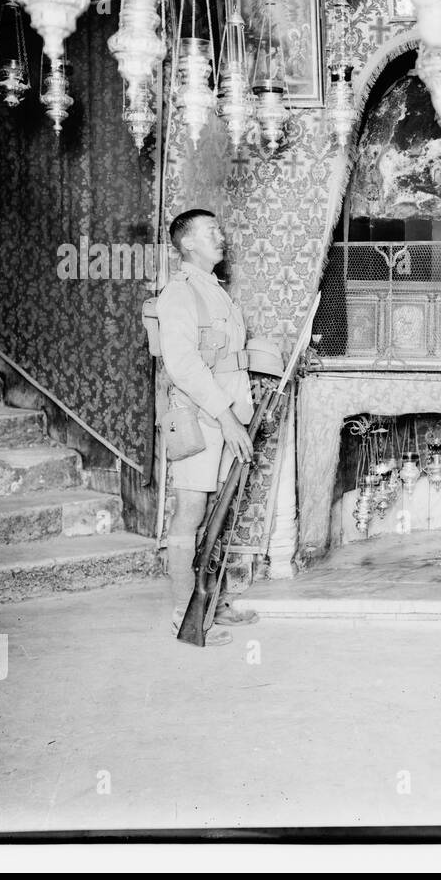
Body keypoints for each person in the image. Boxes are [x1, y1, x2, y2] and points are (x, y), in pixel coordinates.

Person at [156, 209, 259, 646]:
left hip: (227, 416)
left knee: (218, 513)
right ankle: (186, 615)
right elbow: (183, 365)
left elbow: (228, 359)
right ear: (187, 244)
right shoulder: (178, 293)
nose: (222, 236)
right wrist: (226, 416)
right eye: (211, 231)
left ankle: (212, 601)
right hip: (201, 419)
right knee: (192, 513)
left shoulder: (215, 291)